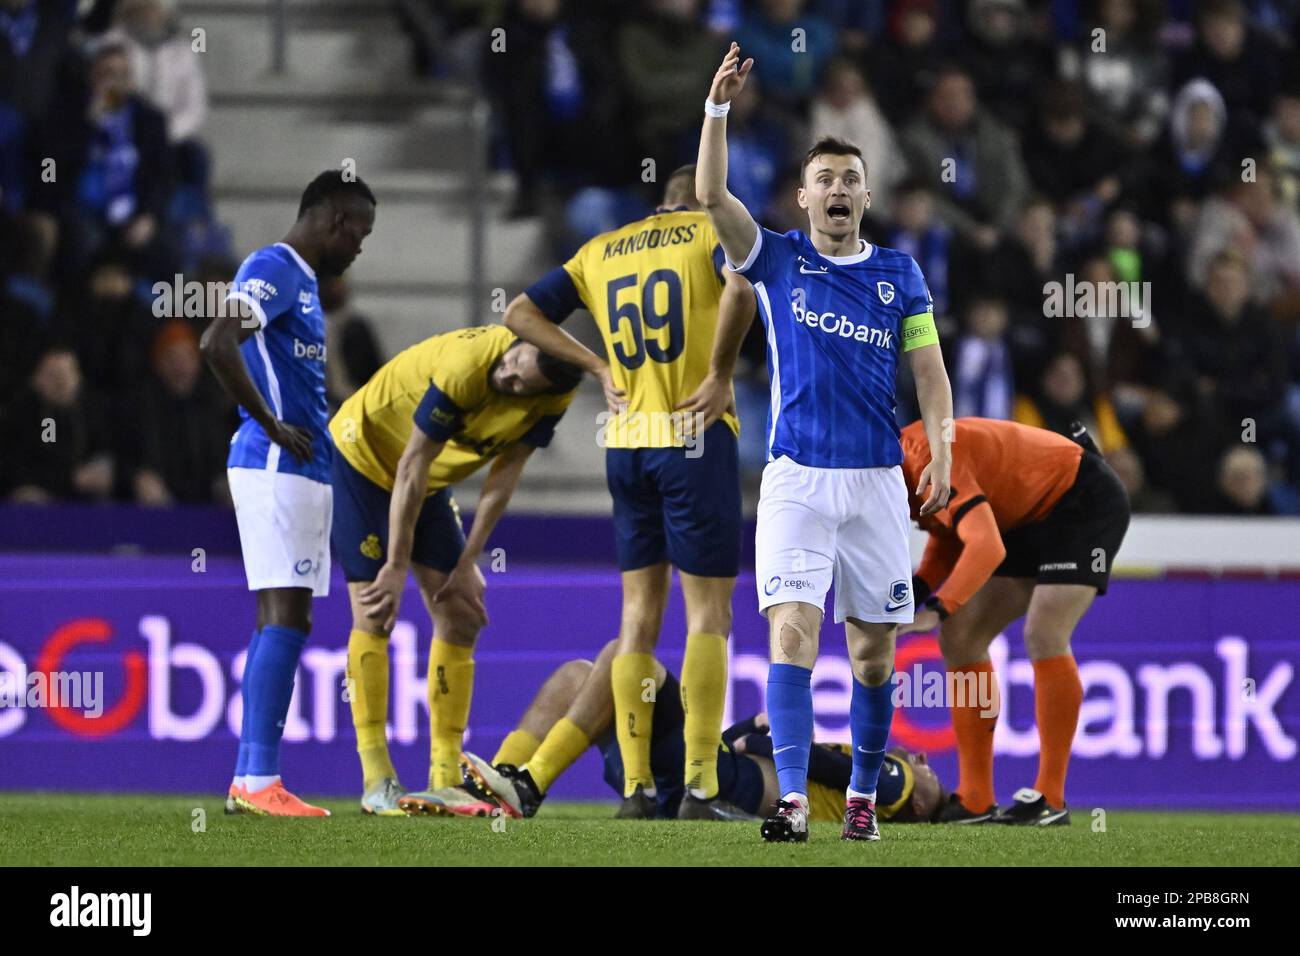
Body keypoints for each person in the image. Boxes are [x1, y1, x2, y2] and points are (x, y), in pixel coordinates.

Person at [696, 43, 954, 842]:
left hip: (877, 483)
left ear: (866, 195)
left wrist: (941, 447)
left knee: (874, 659)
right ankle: (796, 801)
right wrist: (717, 110)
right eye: (825, 180)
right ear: (803, 196)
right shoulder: (775, 260)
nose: (838, 190)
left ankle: (868, 798)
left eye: (850, 179)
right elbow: (709, 194)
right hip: (798, 481)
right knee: (792, 632)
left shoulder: (901, 276)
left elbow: (931, 373)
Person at [504, 163, 757, 821]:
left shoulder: (601, 250)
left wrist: (592, 364)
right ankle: (701, 786)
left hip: (626, 442)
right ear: (697, 199)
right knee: (709, 616)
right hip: (693, 433)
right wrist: (723, 373)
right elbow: (744, 293)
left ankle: (638, 789)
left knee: (636, 619)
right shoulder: (709, 230)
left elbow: (519, 312)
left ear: (655, 204)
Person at [328, 325, 583, 815]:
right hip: (364, 457)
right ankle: (377, 777)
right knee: (376, 609)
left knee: (462, 612)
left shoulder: (556, 394)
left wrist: (469, 559)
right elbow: (410, 465)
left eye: (516, 383)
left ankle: (445, 774)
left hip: (423, 480)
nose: (506, 375)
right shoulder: (468, 364)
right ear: (521, 342)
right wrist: (396, 567)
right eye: (511, 364)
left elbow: (505, 474)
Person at [201, 170, 375, 817]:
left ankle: (252, 778)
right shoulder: (274, 267)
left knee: (284, 617)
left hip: (297, 468)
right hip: (276, 463)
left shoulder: (302, 282)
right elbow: (217, 341)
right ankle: (256, 781)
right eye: (359, 233)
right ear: (333, 220)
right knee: (286, 615)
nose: (359, 248)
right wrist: (269, 423)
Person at [421, 641, 945, 828]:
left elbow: (810, 759)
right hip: (697, 773)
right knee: (579, 674)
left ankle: (527, 786)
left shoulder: (888, 787)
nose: (919, 757)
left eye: (928, 771)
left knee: (628, 657)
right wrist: (754, 736)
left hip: (719, 781)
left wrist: (766, 738)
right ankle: (506, 778)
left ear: (919, 806)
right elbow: (743, 738)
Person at [897, 417, 1130, 825]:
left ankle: (1050, 799)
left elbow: (985, 547)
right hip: (1023, 513)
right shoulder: (903, 462)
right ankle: (974, 798)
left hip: (1080, 499)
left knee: (1044, 632)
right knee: (961, 637)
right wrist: (915, 596)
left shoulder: (925, 460)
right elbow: (950, 535)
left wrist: (936, 608)